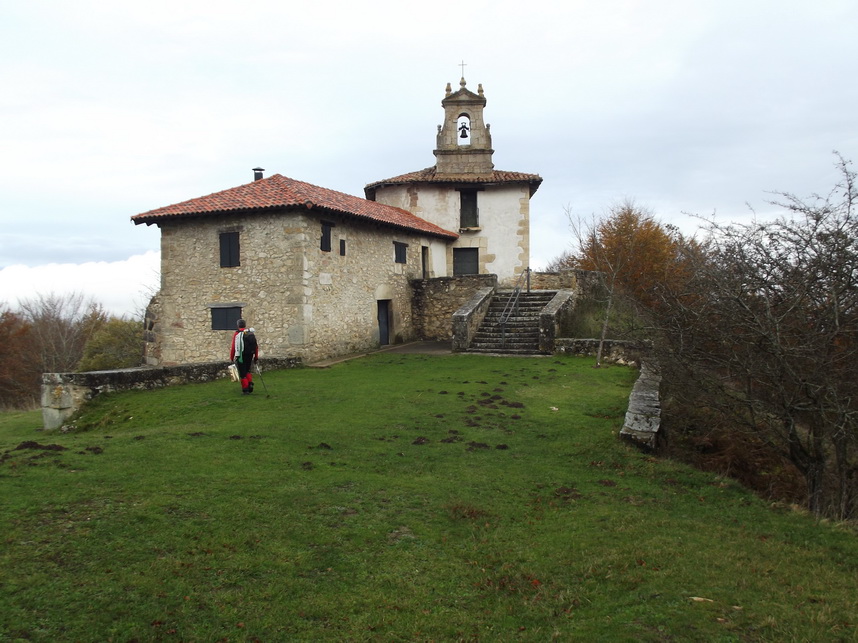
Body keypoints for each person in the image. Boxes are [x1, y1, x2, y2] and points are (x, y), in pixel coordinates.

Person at [229, 319, 258, 394]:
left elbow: (234, 347)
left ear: (238, 325)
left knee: (242, 373)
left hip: (241, 356)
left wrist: (231, 357)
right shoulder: (250, 333)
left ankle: (245, 389)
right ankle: (250, 383)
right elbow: (255, 346)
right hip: (250, 355)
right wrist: (256, 357)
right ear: (245, 325)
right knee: (247, 370)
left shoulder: (237, 334)